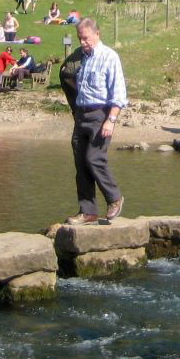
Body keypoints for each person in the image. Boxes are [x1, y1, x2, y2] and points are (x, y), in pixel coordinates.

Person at [67, 17, 126, 224]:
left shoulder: (110, 57)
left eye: (85, 38)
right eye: (79, 39)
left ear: (97, 34)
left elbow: (118, 93)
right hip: (81, 115)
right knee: (81, 164)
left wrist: (111, 120)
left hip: (100, 115)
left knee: (94, 158)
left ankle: (114, 198)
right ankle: (87, 211)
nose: (82, 42)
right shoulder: (82, 57)